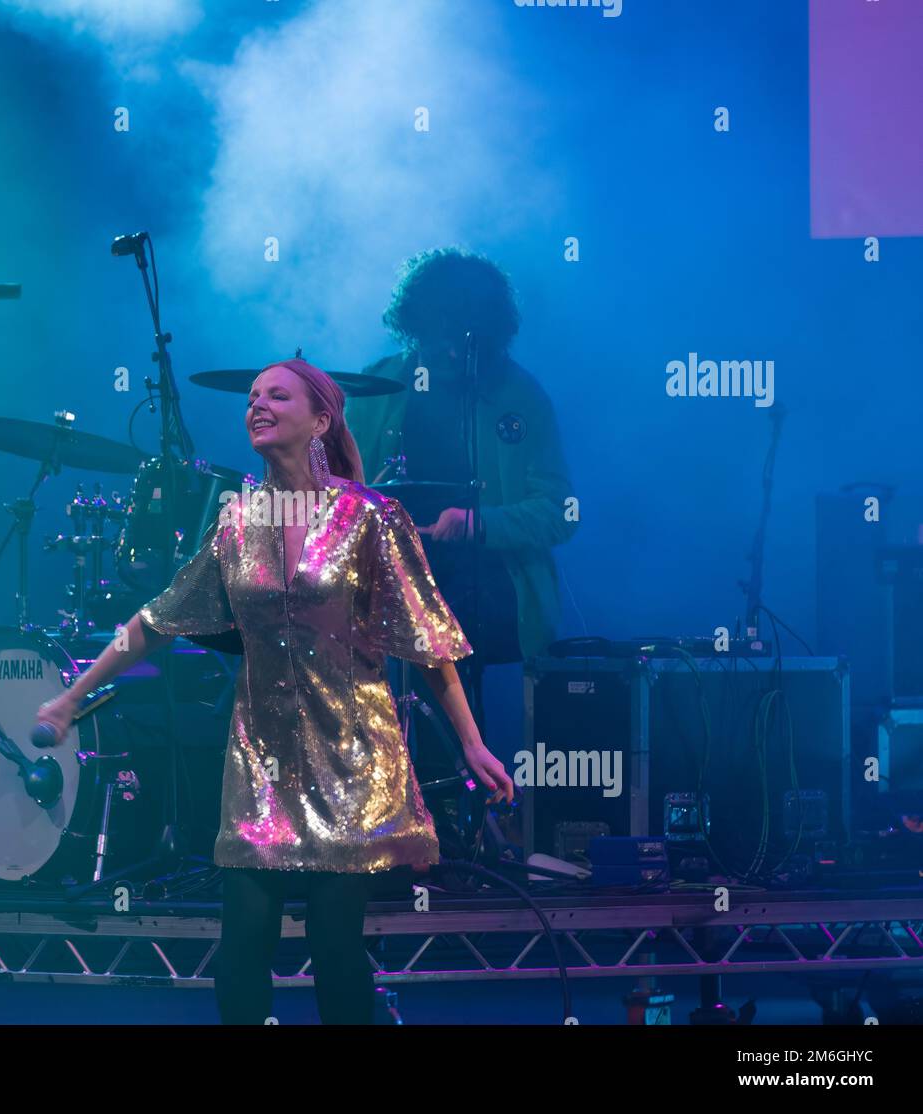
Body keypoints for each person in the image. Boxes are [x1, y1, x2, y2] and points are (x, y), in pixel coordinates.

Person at [34, 357, 513, 1025]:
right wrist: (69, 698)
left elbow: (429, 643)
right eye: (253, 396)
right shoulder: (238, 524)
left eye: (276, 395)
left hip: (350, 759)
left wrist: (471, 742)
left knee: (336, 945)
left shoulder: (371, 518)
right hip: (262, 759)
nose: (256, 404)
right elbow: (156, 620)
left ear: (320, 420)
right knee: (244, 941)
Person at [346, 246, 579, 742]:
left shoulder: (521, 396)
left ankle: (459, 794)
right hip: (386, 575)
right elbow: (337, 489)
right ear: (417, 326)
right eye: (440, 339)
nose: (452, 353)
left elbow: (562, 511)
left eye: (465, 341)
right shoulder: (377, 386)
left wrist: (479, 525)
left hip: (488, 584)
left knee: (438, 651)